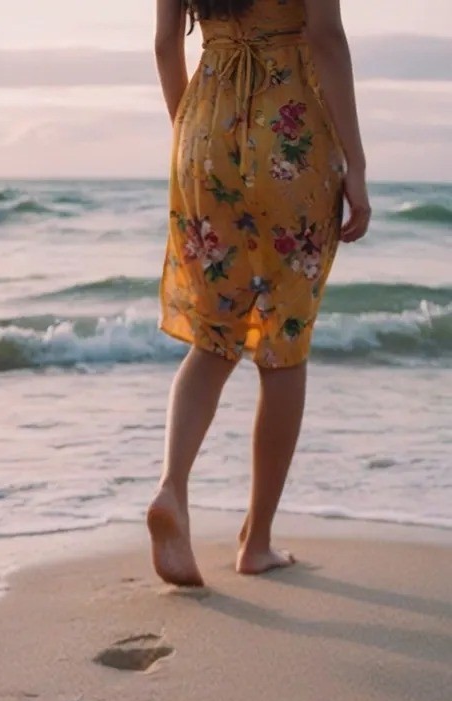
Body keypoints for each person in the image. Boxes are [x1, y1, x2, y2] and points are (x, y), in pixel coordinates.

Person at [149, 0, 371, 586]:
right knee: (285, 341)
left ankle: (172, 488)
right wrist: (357, 164)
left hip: (204, 131)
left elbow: (165, 44)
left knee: (214, 335)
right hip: (290, 133)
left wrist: (190, 130)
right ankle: (258, 541)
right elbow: (326, 38)